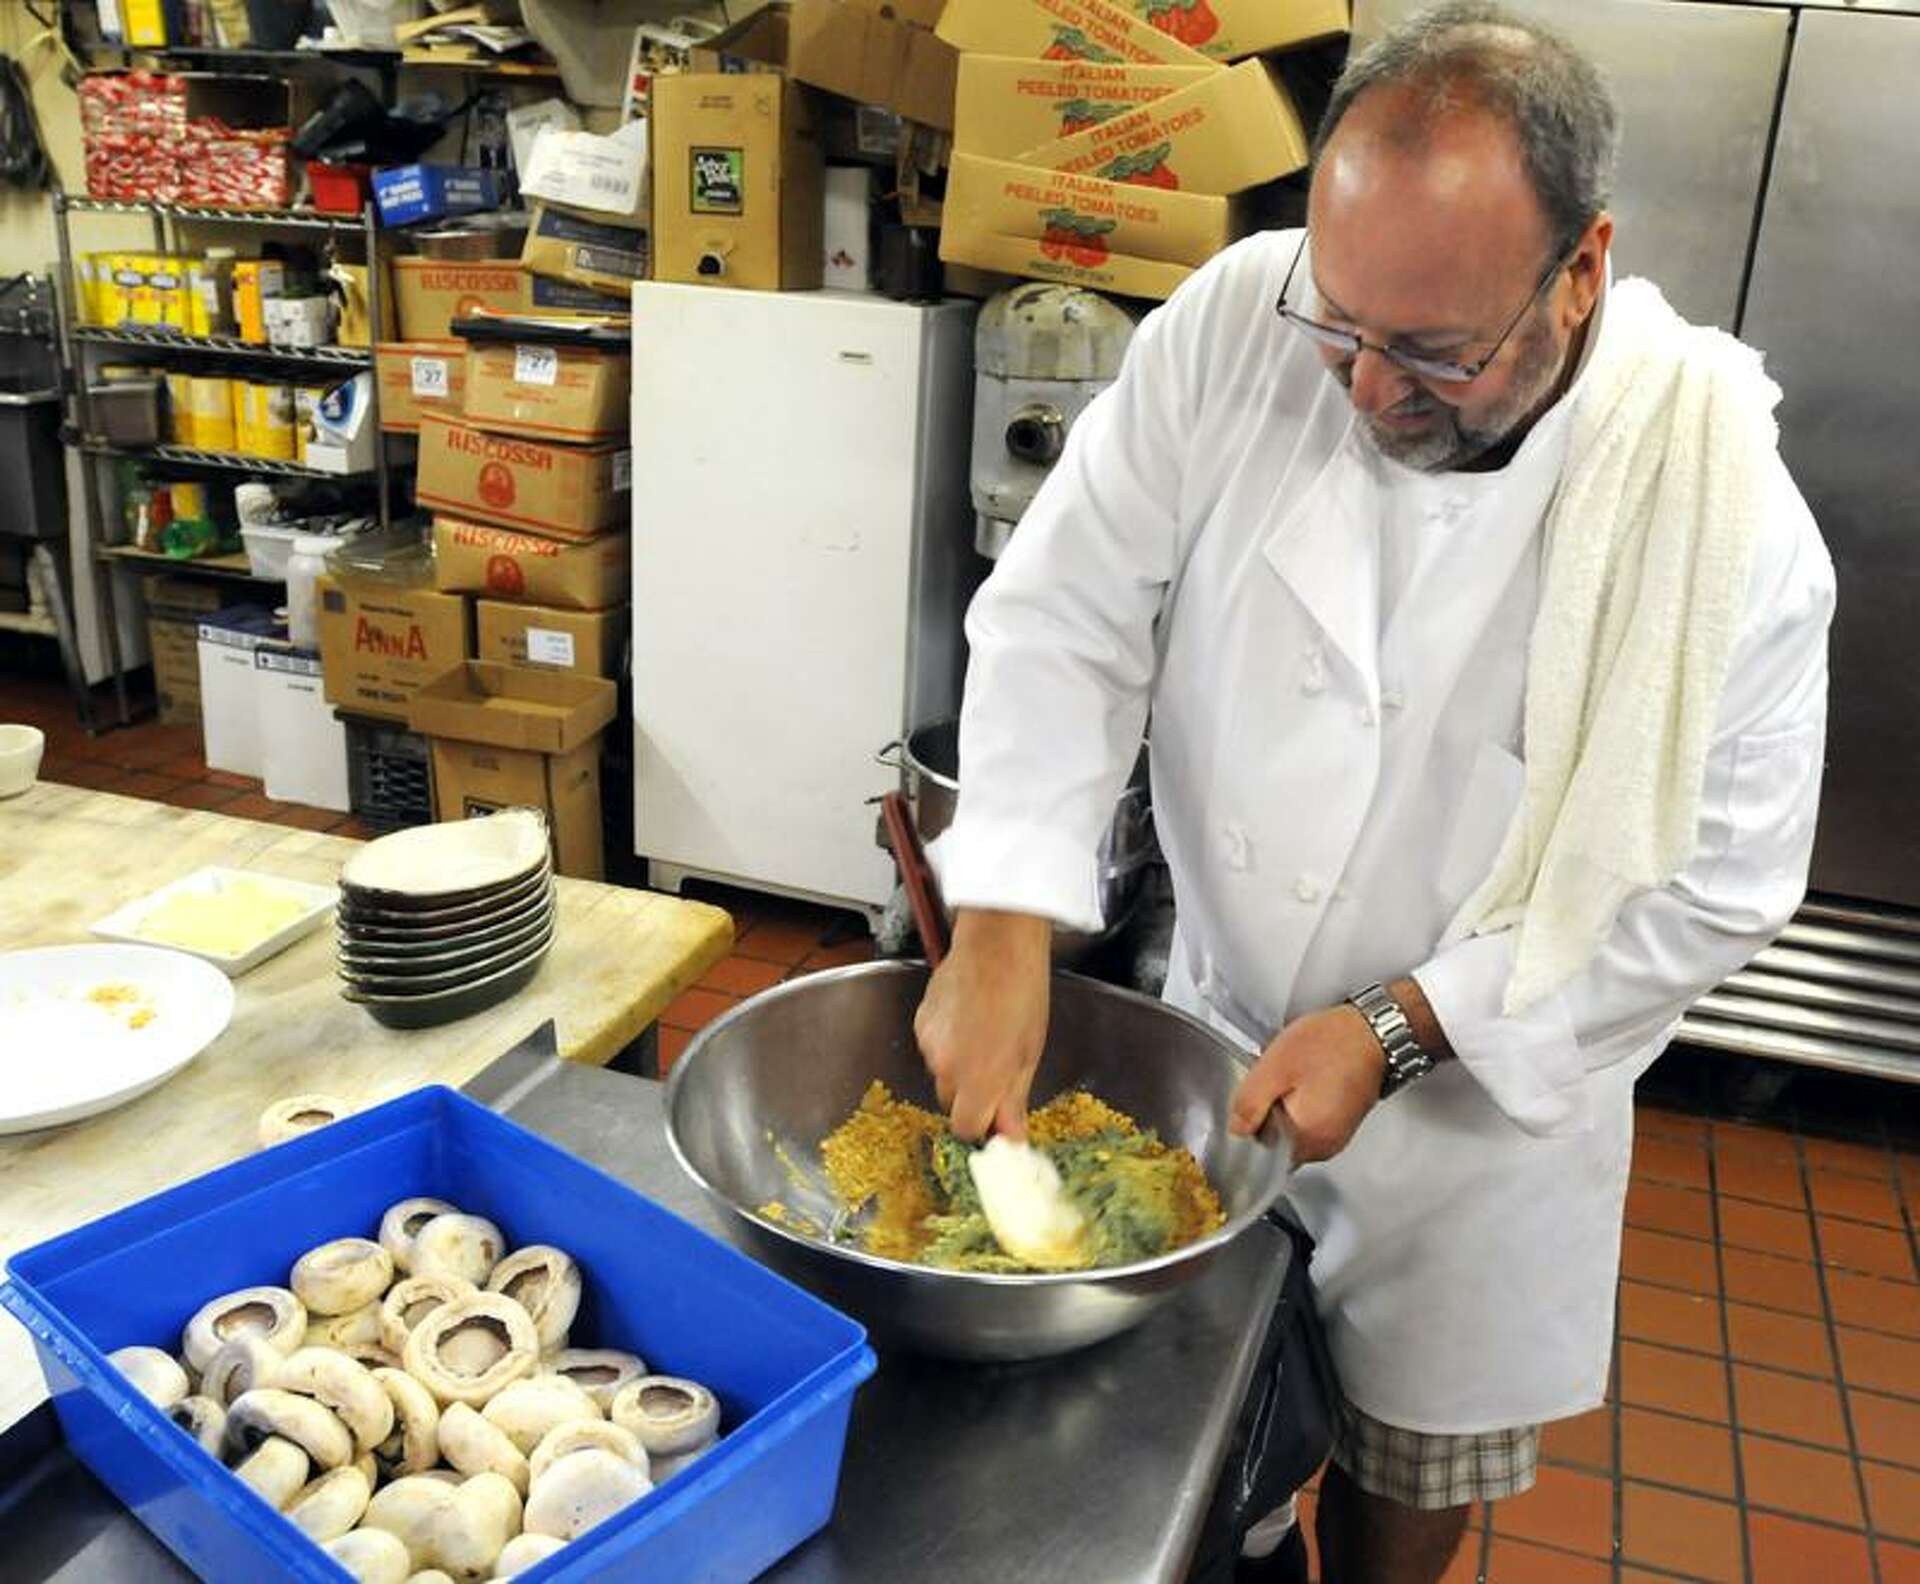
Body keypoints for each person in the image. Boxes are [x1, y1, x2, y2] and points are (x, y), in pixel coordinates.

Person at [912, 4, 1835, 1582]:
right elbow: (1067, 612)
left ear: (1583, 267)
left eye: (1436, 352)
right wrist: (1002, 920)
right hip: (1215, 1035)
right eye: (1341, 324)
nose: (1366, 389)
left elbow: (1718, 883)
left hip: (1477, 1116)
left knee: (1411, 1466)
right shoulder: (1236, 323)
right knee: (1208, 1431)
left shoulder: (1715, 512)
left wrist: (1402, 1027)